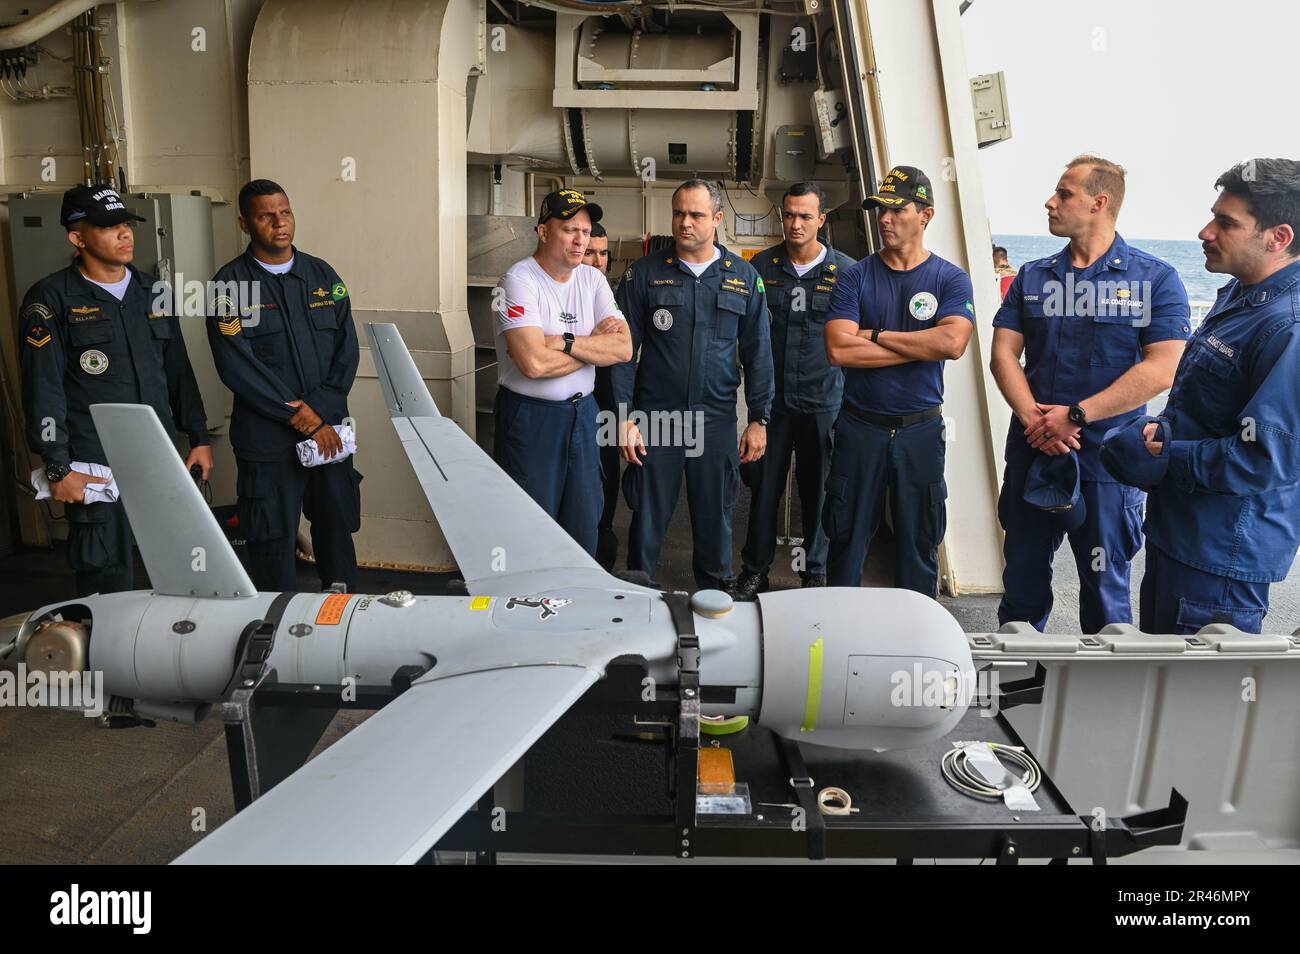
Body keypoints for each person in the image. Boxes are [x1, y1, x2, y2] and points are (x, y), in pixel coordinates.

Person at [990, 156, 1188, 634]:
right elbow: (1002, 356)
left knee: (1104, 590)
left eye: (1063, 193)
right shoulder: (1033, 277)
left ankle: (1107, 701)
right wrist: (1037, 422)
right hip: (1035, 451)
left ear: (1099, 203)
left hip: (1108, 463)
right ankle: (1017, 689)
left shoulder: (1155, 280)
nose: (1049, 202)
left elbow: (1163, 368)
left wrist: (1076, 416)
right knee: (1021, 583)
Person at [1110, 158, 1300, 634]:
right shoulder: (1241, 294)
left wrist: (1166, 453)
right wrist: (1157, 433)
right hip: (1182, 534)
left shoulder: (1287, 326)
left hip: (1220, 559)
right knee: (1160, 690)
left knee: (1196, 702)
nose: (1205, 231)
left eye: (1226, 223)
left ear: (1279, 238)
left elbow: (1265, 459)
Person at [20, 184, 211, 596]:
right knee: (106, 579)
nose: (125, 234)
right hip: (94, 464)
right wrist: (57, 466)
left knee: (180, 573)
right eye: (109, 226)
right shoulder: (50, 299)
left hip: (158, 456)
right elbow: (43, 388)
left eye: (126, 224)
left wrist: (199, 438)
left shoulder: (154, 291)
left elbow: (178, 371)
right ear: (77, 237)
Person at [613, 179, 773, 591]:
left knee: (715, 513)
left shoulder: (743, 277)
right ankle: (638, 593)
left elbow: (758, 353)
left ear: (717, 219)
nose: (685, 223)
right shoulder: (643, 274)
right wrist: (623, 418)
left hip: (714, 420)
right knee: (648, 513)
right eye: (679, 213)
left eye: (697, 215)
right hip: (657, 417)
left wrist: (759, 418)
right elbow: (623, 352)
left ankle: (715, 598)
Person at [823, 165, 974, 597]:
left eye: (896, 209)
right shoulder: (855, 276)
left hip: (920, 432)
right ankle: (838, 633)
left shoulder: (950, 278)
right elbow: (837, 349)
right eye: (879, 210)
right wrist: (915, 345)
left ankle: (916, 640)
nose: (884, 219)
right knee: (846, 538)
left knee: (919, 543)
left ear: (925, 214)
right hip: (859, 428)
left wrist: (874, 334)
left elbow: (951, 343)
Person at [207, 179, 360, 593]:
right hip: (268, 442)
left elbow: (347, 353)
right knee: (272, 539)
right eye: (266, 215)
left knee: (336, 529)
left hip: (328, 432)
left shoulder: (323, 275)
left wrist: (322, 412)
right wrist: (305, 419)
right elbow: (239, 368)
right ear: (245, 223)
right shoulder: (227, 288)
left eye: (285, 212)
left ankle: (342, 619)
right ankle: (274, 634)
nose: (280, 223)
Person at [733, 182, 855, 599]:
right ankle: (755, 571)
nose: (796, 224)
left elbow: (858, 342)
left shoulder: (847, 273)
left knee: (818, 493)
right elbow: (747, 338)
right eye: (789, 215)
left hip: (825, 402)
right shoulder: (760, 268)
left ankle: (815, 572)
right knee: (764, 490)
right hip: (772, 404)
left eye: (806, 216)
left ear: (822, 219)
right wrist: (756, 412)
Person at [493, 190, 632, 555]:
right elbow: (533, 364)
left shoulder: (592, 280)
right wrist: (590, 348)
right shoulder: (518, 281)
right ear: (543, 232)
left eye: (584, 231)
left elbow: (623, 348)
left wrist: (564, 342)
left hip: (583, 416)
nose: (580, 240)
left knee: (583, 525)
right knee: (532, 530)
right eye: (569, 229)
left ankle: (577, 607)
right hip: (531, 420)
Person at [584, 222, 624, 570]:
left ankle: (603, 563)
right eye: (589, 253)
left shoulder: (612, 296)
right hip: (572, 408)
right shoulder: (558, 294)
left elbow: (623, 349)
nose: (597, 261)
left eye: (602, 253)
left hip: (608, 408)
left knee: (608, 483)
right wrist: (593, 339)